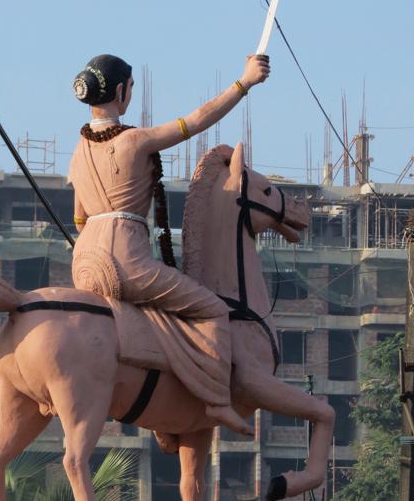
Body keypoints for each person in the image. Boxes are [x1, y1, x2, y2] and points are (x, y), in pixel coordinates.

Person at [68, 52, 270, 435]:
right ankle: (217, 400)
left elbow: (79, 219)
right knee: (211, 309)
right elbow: (197, 120)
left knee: (158, 313)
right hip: (127, 261)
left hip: (84, 265)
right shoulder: (134, 140)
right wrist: (245, 82)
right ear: (123, 92)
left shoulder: (78, 152)